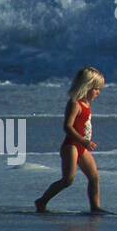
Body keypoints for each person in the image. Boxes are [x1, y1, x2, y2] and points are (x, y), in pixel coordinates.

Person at [36, 66, 108, 213]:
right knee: (68, 180)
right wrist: (84, 141)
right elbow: (67, 127)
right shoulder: (74, 104)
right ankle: (41, 201)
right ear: (86, 87)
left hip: (82, 147)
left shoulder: (86, 104)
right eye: (95, 89)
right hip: (72, 146)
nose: (98, 92)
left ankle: (95, 207)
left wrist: (84, 143)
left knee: (94, 177)